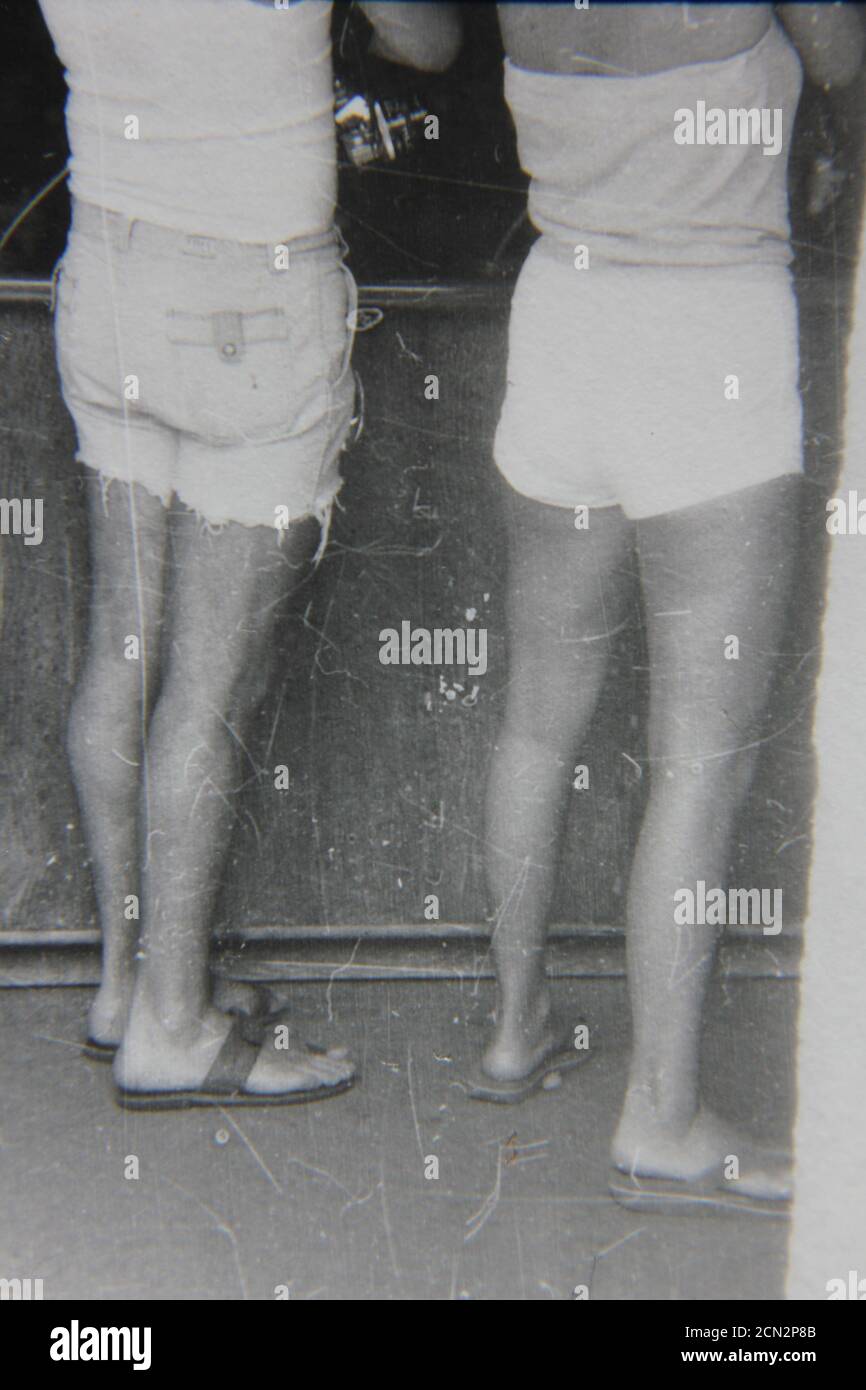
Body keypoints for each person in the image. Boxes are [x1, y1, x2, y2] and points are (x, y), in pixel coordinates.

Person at [477, 1, 863, 1212]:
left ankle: (512, 1026)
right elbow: (847, 62)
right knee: (697, 762)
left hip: (561, 324)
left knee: (538, 719)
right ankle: (662, 1116)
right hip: (708, 341)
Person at [42, 0, 460, 1108]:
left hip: (107, 276)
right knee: (208, 693)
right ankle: (176, 1030)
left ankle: (127, 986)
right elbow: (429, 40)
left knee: (122, 651)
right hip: (250, 294)